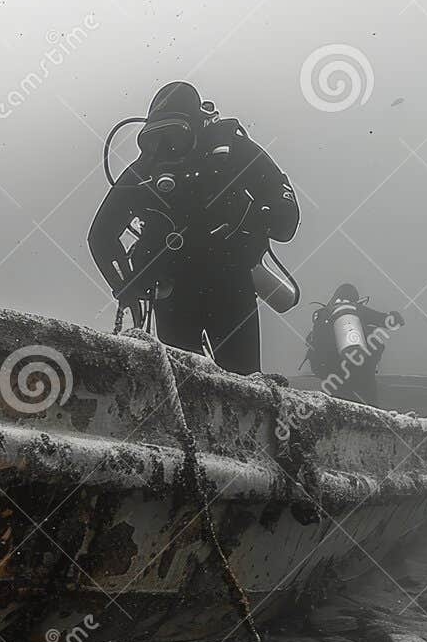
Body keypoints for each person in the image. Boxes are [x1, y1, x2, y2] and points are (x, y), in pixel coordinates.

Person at [87, 81, 299, 375]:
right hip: (173, 288)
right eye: (153, 140)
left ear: (198, 130)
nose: (164, 149)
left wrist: (264, 220)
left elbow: (284, 218)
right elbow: (100, 235)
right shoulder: (143, 170)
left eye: (174, 136)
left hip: (230, 280)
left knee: (242, 380)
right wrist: (127, 287)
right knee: (181, 384)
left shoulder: (232, 152)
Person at [303, 283, 404, 407]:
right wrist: (394, 316)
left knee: (336, 411)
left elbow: (315, 347)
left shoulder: (323, 315)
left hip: (334, 376)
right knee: (370, 409)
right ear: (355, 299)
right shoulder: (356, 310)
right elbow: (389, 322)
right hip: (362, 372)